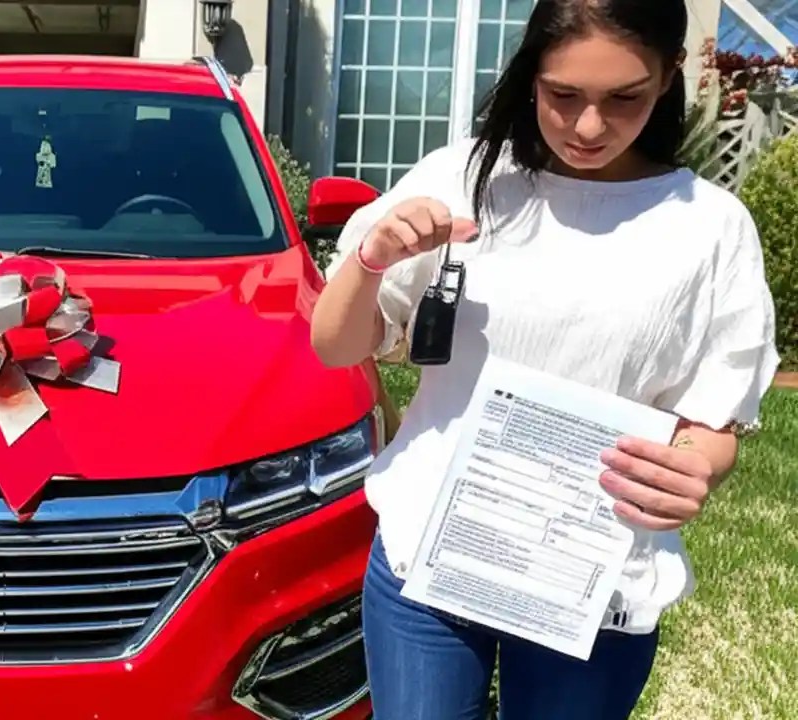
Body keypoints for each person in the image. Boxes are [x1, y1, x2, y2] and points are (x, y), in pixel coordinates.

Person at [310, 0, 779, 718]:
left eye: (625, 97)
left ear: (669, 77)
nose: (588, 126)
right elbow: (336, 345)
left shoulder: (709, 227)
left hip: (589, 570)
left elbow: (712, 421)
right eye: (564, 95)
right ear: (531, 74)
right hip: (429, 552)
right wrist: (373, 259)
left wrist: (697, 466)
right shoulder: (461, 178)